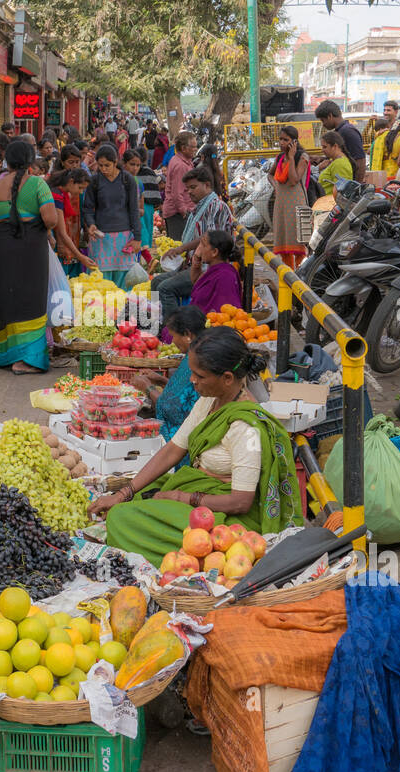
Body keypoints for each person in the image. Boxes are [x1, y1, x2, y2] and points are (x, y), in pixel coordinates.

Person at [89, 327, 303, 565]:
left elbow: (240, 502)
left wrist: (181, 497)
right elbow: (173, 449)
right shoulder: (210, 401)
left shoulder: (245, 427)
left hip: (227, 516)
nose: (192, 381)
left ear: (227, 378)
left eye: (199, 376)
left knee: (121, 517)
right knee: (135, 498)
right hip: (203, 493)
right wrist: (122, 493)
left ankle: (207, 559)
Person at [0, 140, 58, 374]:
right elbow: (50, 220)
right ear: (29, 160)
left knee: (7, 299)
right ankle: (29, 360)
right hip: (30, 246)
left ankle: (7, 356)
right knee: (31, 300)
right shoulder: (37, 183)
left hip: (2, 247)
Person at [152, 163, 234, 322]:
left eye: (193, 187)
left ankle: (176, 330)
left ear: (207, 185)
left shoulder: (214, 206)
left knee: (165, 288)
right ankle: (161, 322)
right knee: (156, 281)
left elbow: (209, 239)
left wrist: (181, 249)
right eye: (187, 188)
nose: (189, 192)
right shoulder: (200, 207)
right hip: (194, 264)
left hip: (208, 269)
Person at [134, 305, 208, 442]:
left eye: (174, 335)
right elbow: (187, 392)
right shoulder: (196, 352)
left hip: (182, 438)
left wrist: (148, 387)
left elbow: (174, 410)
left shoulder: (197, 359)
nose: (173, 341)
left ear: (187, 335)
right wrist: (161, 380)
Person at [83, 144, 142, 287]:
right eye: (100, 165)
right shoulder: (95, 181)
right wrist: (91, 224)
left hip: (124, 238)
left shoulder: (127, 180)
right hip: (101, 238)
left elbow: (134, 210)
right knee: (100, 282)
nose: (103, 169)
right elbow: (88, 208)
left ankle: (122, 309)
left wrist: (138, 238)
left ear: (116, 162)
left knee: (123, 281)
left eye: (107, 165)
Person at [46, 166, 97, 278]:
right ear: (71, 182)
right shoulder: (57, 196)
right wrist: (81, 257)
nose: (81, 192)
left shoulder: (60, 192)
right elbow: (62, 232)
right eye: (80, 187)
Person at [271, 125, 311, 248]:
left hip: (296, 203)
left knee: (296, 239)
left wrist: (292, 158)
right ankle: (286, 267)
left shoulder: (302, 157)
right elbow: (270, 175)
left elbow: (294, 180)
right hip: (281, 203)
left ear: (294, 142)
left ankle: (298, 267)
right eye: (280, 139)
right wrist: (276, 186)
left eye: (285, 140)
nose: (281, 143)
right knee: (282, 237)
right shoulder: (280, 157)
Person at [189, 229, 243, 317]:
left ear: (214, 252)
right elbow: (195, 281)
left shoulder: (225, 277)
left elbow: (224, 315)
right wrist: (196, 259)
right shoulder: (214, 268)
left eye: (203, 245)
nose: (199, 248)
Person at [315, 100, 366, 180]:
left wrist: (356, 187)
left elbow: (360, 160)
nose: (323, 124)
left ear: (330, 116)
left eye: (323, 120)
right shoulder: (340, 131)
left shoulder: (348, 131)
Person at [121, 147, 161, 249]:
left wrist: (140, 209)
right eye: (132, 164)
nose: (135, 168)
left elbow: (141, 199)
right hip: (122, 222)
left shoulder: (137, 182)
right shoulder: (119, 180)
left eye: (137, 165)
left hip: (139, 214)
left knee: (143, 232)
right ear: (124, 163)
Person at [163, 131, 198, 238]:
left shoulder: (181, 160)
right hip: (177, 214)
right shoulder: (180, 165)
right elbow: (176, 193)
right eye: (193, 147)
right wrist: (184, 212)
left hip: (180, 212)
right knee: (179, 249)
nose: (195, 149)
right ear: (183, 148)